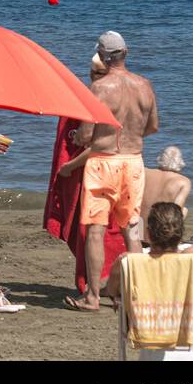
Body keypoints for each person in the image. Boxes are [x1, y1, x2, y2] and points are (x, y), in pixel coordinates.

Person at [64, 30, 159, 312]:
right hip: (133, 162)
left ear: (104, 57)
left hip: (104, 161)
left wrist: (76, 139)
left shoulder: (99, 88)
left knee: (95, 231)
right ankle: (135, 296)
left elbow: (85, 135)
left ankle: (93, 297)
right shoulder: (145, 86)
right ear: (126, 53)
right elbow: (152, 127)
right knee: (132, 230)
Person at [43, 55, 125, 294]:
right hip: (107, 170)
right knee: (93, 229)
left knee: (93, 230)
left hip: (98, 172)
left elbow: (98, 144)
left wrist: (69, 166)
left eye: (98, 74)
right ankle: (98, 281)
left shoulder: (105, 98)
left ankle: (96, 282)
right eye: (92, 72)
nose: (93, 78)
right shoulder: (101, 96)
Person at [105, 201, 193, 314]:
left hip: (143, 330)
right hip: (189, 329)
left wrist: (118, 296)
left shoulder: (128, 261)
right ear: (181, 233)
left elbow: (111, 291)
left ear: (148, 233)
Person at [141, 146, 192, 232]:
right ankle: (170, 238)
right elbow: (177, 212)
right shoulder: (184, 182)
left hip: (138, 230)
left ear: (160, 158)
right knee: (184, 210)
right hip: (159, 234)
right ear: (180, 162)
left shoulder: (145, 172)